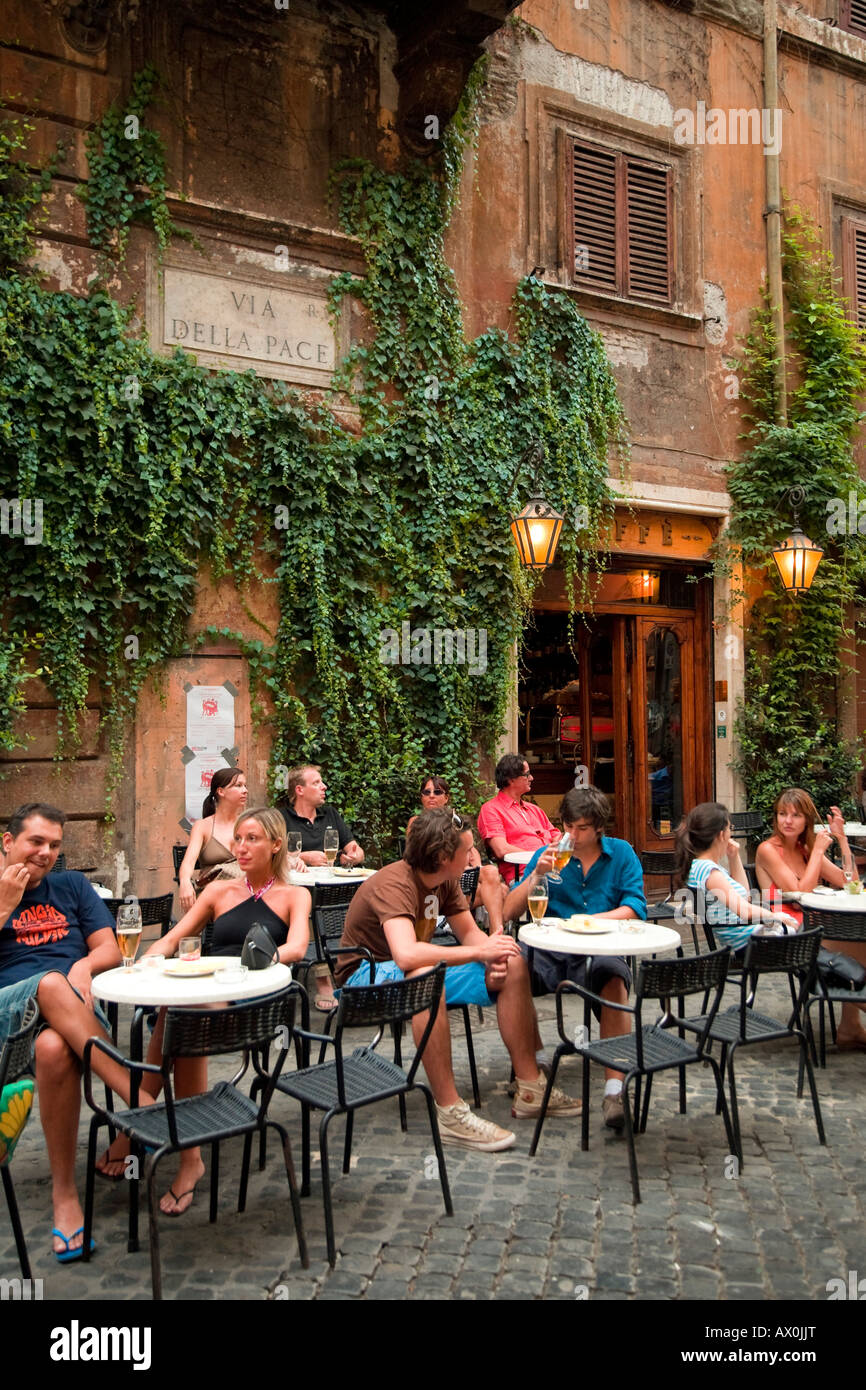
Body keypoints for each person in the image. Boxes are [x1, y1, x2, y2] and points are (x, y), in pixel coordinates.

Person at [101, 807, 312, 1214]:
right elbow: (174, 938)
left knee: (181, 1013)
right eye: (238, 839)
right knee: (179, 1011)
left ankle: (159, 1139)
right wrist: (146, 960)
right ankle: (176, 1145)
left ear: (276, 844)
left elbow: (298, 948)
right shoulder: (217, 891)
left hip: (258, 997)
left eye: (252, 839)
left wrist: (256, 963)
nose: (242, 847)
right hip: (209, 992)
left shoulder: (294, 895)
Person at [335, 808, 581, 1150]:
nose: (472, 858)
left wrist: (492, 953)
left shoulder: (445, 882)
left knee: (512, 963)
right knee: (425, 975)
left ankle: (530, 1088)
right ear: (441, 857)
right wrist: (478, 955)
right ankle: (450, 1113)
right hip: (364, 979)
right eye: (466, 851)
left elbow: (470, 937)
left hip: (411, 969)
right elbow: (406, 955)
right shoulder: (394, 882)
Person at [0, 803, 156, 1260]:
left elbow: (108, 946)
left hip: (74, 1017)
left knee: (53, 1047)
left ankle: (65, 1197)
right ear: (7, 842)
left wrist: (85, 966)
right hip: (10, 1018)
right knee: (50, 981)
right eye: (36, 842)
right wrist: (7, 903)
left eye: (54, 845)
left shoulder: (71, 886)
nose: (46, 853)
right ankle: (142, 1103)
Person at [503, 786, 647, 1131]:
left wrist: (592, 922)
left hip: (601, 948)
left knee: (614, 976)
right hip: (551, 949)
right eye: (568, 826)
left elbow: (636, 908)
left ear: (598, 826)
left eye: (581, 828)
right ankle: (533, 1069)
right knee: (510, 965)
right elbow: (509, 909)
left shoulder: (622, 854)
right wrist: (537, 873)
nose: (573, 835)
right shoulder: (549, 854)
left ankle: (614, 1090)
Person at [755, 788, 866, 1050]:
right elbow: (800, 893)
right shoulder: (768, 850)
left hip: (812, 925)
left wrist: (840, 840)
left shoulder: (805, 849)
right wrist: (817, 853)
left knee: (860, 942)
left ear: (806, 820)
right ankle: (850, 1028)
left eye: (795, 815)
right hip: (785, 931)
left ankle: (850, 1028)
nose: (788, 821)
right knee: (856, 944)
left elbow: (850, 883)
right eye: (782, 814)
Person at [675, 803, 799, 954]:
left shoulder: (702, 867)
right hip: (750, 943)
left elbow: (745, 896)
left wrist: (734, 857)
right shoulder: (709, 871)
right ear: (721, 835)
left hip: (748, 938)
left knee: (806, 932)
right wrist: (774, 915)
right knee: (811, 935)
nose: (730, 833)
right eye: (729, 828)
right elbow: (745, 911)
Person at [407, 775, 508, 932]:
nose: (431, 796)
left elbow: (471, 850)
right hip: (438, 877)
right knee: (500, 891)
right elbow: (419, 856)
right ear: (421, 797)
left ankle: (496, 935)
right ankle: (495, 936)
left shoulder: (454, 821)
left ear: (446, 797)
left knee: (492, 873)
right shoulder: (417, 822)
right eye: (426, 792)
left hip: (462, 875)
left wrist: (472, 866)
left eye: (437, 792)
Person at [477, 753, 560, 885]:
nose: (531, 778)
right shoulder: (491, 809)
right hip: (524, 874)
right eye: (527, 775)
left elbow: (558, 838)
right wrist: (539, 857)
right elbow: (501, 849)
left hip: (556, 870)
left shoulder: (535, 810)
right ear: (511, 779)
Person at [177, 767, 248, 913]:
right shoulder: (203, 826)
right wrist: (184, 882)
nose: (245, 790)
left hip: (245, 891)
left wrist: (293, 859)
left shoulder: (248, 823)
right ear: (221, 791)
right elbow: (189, 862)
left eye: (245, 785)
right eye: (238, 785)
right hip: (215, 896)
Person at [277, 765, 364, 868]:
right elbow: (270, 856)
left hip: (334, 880)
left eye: (321, 782)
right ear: (300, 790)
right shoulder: (280, 818)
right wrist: (304, 857)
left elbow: (355, 849)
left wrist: (355, 856)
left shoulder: (330, 813)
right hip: (299, 881)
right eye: (316, 783)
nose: (324, 786)